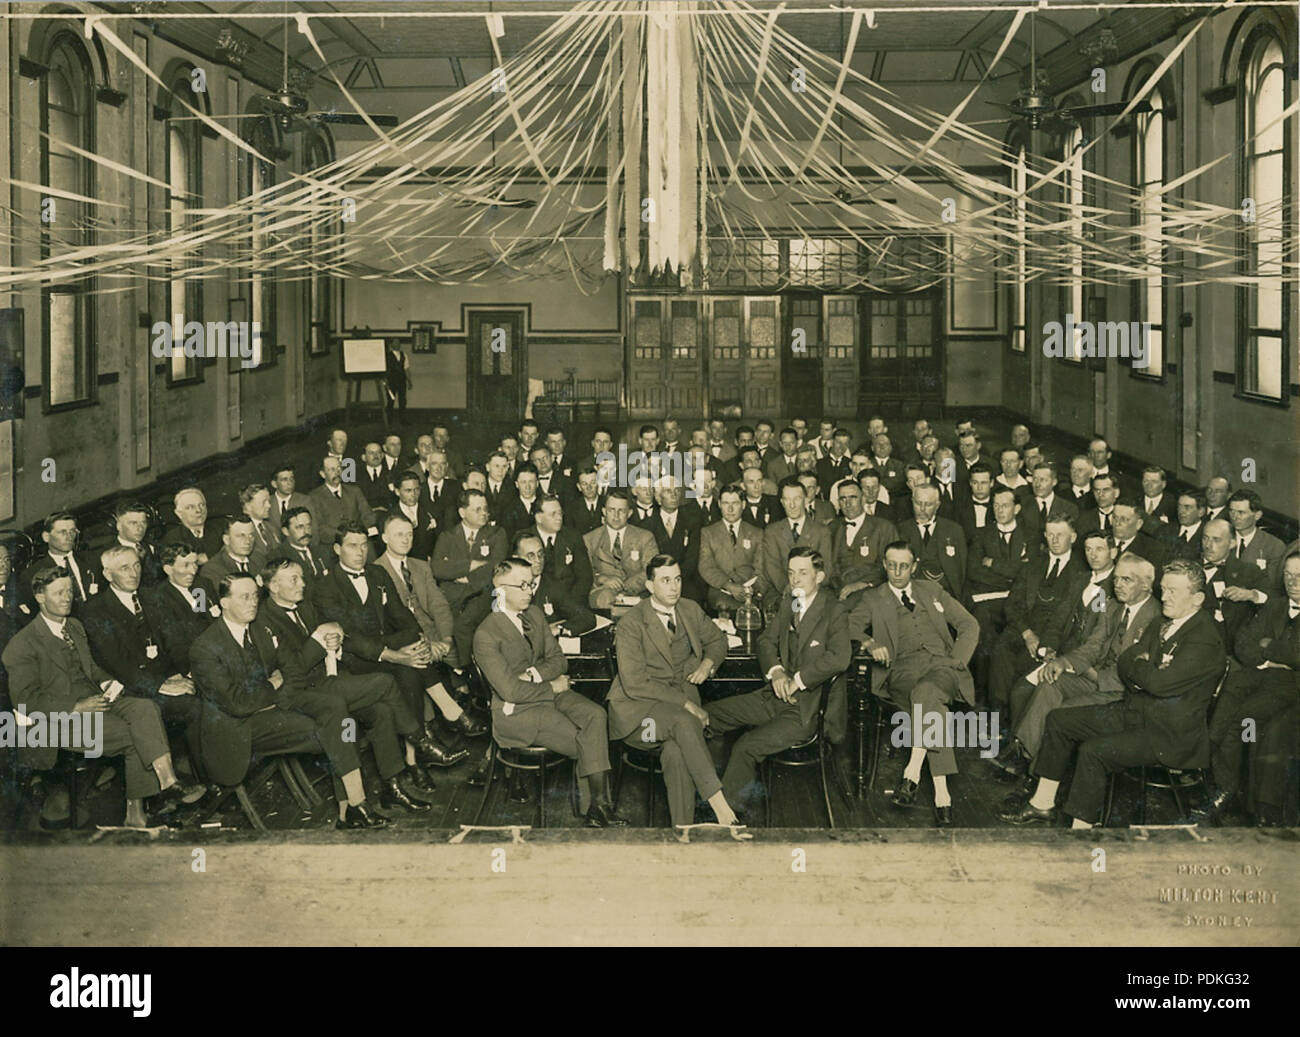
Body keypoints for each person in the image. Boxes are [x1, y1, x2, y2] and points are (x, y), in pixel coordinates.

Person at [1001, 559, 1227, 829]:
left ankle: (1081, 830)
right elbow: (1127, 660)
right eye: (1163, 589)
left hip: (1168, 734)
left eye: (1173, 591)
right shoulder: (1164, 623)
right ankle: (1043, 804)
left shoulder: (1204, 638)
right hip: (1136, 712)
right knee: (1059, 720)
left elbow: (1157, 683)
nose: (1164, 596)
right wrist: (1143, 667)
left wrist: (1141, 667)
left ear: (1197, 598)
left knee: (1093, 751)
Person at [4, 567, 205, 828]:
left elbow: (91, 667)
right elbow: (25, 701)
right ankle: (136, 813)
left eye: (69, 591)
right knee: (136, 734)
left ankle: (168, 782)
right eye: (59, 593)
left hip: (95, 701)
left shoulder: (74, 626)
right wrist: (76, 706)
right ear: (40, 597)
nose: (67, 598)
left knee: (146, 709)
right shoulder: (22, 645)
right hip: (52, 722)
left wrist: (105, 680)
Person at [190, 574, 389, 830]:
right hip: (236, 729)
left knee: (336, 709)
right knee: (336, 731)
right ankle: (352, 809)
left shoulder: (262, 630)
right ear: (224, 603)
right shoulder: (204, 647)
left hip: (274, 710)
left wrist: (278, 696)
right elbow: (237, 704)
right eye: (244, 597)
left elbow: (293, 671)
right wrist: (273, 686)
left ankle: (353, 805)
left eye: (255, 596)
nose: (252, 603)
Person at [260, 558, 441, 812]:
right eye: (294, 579)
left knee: (382, 711)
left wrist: (334, 641)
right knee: (385, 682)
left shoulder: (306, 608)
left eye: (301, 577)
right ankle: (420, 740)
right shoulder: (264, 621)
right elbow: (290, 673)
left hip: (330, 681)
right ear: (273, 585)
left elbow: (333, 640)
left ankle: (393, 787)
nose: (302, 584)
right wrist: (318, 640)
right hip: (304, 693)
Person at [473, 558, 628, 827]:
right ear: (500, 588)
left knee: (595, 715)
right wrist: (550, 685)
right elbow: (509, 690)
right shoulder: (486, 633)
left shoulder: (533, 615)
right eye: (522, 585)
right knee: (583, 739)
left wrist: (533, 675)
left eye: (531, 584)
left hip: (547, 692)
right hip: (517, 712)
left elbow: (559, 660)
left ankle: (596, 807)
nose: (529, 591)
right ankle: (598, 808)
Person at [707, 547, 851, 819]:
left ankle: (729, 818)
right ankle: (709, 793)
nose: (795, 580)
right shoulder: (791, 601)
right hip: (774, 696)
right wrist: (775, 672)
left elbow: (840, 657)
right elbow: (766, 641)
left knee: (745, 746)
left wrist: (796, 680)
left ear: (819, 576)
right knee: (708, 716)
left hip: (808, 710)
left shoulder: (834, 610)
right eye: (791, 573)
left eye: (803, 573)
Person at [847, 542, 980, 827]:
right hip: (902, 672)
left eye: (904, 566)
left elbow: (970, 625)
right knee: (926, 697)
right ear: (884, 564)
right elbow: (848, 624)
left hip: (942, 667)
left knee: (927, 695)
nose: (897, 571)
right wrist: (869, 643)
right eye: (892, 565)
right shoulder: (873, 598)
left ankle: (917, 777)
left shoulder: (932, 591)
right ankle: (934, 787)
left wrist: (956, 661)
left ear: (914, 566)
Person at [993, 552, 1161, 776]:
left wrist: (1095, 676)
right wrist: (1063, 662)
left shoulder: (1155, 617)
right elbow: (1093, 645)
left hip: (1121, 691)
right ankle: (1025, 754)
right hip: (1094, 677)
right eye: (1116, 579)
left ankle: (1036, 777)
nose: (1118, 585)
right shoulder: (1112, 606)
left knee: (1058, 714)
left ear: (1146, 586)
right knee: (1049, 681)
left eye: (1126, 580)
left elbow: (1135, 671)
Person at [605, 555, 737, 828]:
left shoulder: (689, 609)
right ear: (650, 585)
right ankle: (722, 809)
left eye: (677, 579)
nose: (674, 587)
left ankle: (683, 830)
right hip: (641, 720)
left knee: (676, 752)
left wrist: (707, 665)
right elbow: (634, 683)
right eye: (666, 580)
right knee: (683, 720)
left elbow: (717, 640)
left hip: (678, 725)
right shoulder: (631, 623)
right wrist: (686, 704)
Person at [1198, 553, 1300, 825]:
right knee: (1222, 713)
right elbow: (1243, 643)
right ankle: (1214, 779)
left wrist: (1270, 646)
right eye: (1288, 575)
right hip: (1258, 675)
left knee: (1243, 721)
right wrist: (1269, 657)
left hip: (1290, 686)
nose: (1293, 581)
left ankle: (1230, 794)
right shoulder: (1275, 606)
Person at [430, 488, 508, 611]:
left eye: (485, 509)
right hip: (452, 603)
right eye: (478, 509)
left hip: (484, 601)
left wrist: (468, 578)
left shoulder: (497, 534)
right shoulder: (447, 536)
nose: (484, 513)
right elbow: (437, 568)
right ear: (462, 512)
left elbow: (497, 566)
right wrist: (471, 564)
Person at [584, 489, 657, 610]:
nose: (616, 515)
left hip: (638, 593)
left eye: (621, 511)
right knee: (604, 599)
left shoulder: (645, 537)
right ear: (604, 512)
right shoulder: (589, 539)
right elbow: (584, 573)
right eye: (611, 510)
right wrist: (603, 579)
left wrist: (625, 587)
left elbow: (651, 571)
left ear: (629, 513)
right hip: (602, 594)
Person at [830, 479, 896, 609]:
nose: (847, 503)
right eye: (843, 499)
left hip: (871, 591)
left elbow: (891, 565)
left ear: (863, 498)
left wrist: (865, 583)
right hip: (836, 593)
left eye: (853, 497)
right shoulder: (832, 528)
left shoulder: (883, 527)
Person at [762, 478, 834, 599]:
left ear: (805, 500)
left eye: (797, 499)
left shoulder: (821, 531)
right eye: (787, 499)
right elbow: (772, 567)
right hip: (782, 592)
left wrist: (805, 590)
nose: (792, 505)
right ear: (782, 502)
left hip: (813, 592)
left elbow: (825, 568)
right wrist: (789, 588)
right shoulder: (772, 531)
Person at [698, 486, 767, 611]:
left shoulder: (757, 533)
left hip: (750, 591)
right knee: (725, 606)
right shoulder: (708, 532)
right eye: (725, 503)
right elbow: (706, 566)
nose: (730, 509)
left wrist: (752, 589)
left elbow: (761, 567)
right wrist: (728, 585)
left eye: (735, 503)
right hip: (721, 590)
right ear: (719, 504)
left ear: (743, 504)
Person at [308, 455, 374, 550]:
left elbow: (368, 515)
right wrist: (343, 536)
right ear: (323, 474)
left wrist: (359, 532)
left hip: (358, 540)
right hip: (331, 545)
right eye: (332, 469)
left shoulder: (354, 491)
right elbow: (319, 527)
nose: (337, 472)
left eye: (339, 468)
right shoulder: (314, 497)